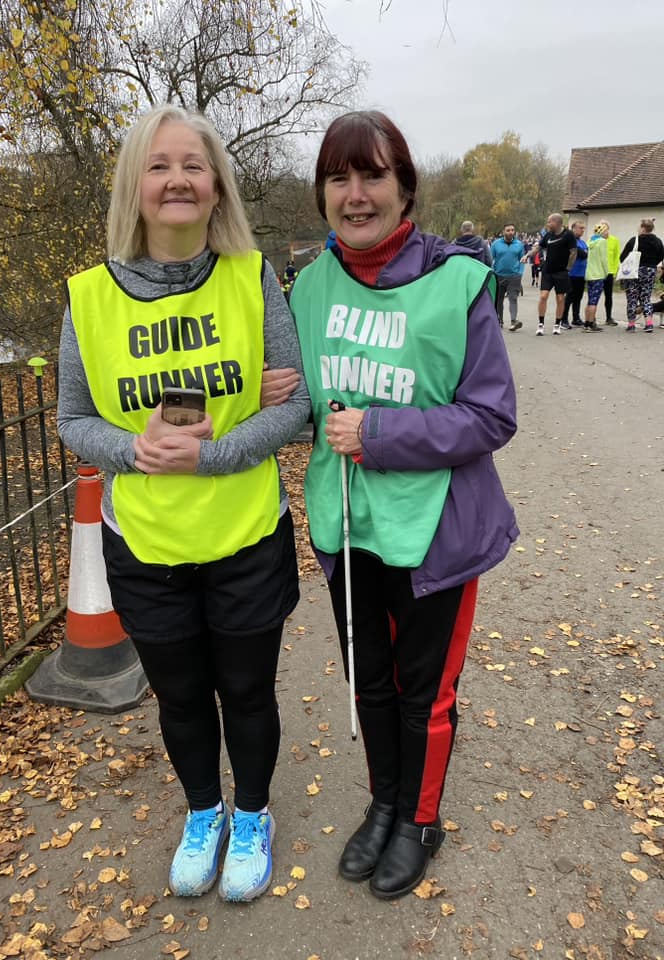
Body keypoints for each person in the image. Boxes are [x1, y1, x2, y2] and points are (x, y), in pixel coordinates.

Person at [57, 104, 310, 903]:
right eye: (159, 166)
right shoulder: (89, 297)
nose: (177, 179)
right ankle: (205, 813)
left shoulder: (252, 276)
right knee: (181, 698)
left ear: (216, 188)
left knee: (246, 692)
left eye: (193, 166)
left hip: (243, 535)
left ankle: (255, 812)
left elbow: (293, 407)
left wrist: (214, 455)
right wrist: (130, 449)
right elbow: (72, 420)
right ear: (135, 185)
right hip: (148, 547)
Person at [283, 110, 519, 900]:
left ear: (404, 186)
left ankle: (421, 820)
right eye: (340, 178)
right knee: (370, 683)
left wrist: (379, 432)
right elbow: (300, 402)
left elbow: (491, 414)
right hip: (345, 525)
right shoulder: (305, 289)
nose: (356, 195)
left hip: (437, 532)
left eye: (372, 175)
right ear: (322, 194)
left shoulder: (461, 281)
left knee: (426, 691)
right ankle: (384, 803)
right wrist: (277, 397)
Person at [524, 213, 577, 336]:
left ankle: (557, 324)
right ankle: (540, 324)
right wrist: (527, 255)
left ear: (557, 222)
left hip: (561, 272)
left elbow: (573, 253)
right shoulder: (548, 235)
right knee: (543, 296)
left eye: (549, 222)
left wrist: (568, 268)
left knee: (560, 298)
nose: (548, 224)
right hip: (548, 270)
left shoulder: (568, 235)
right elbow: (538, 248)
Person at [620, 219, 664, 332]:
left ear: (643, 228)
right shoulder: (658, 241)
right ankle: (649, 324)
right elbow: (661, 256)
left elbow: (622, 257)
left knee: (632, 298)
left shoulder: (634, 240)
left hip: (634, 272)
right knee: (646, 298)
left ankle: (631, 325)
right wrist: (652, 264)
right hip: (650, 271)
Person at [490, 224, 526, 330]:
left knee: (513, 298)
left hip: (514, 276)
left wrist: (520, 272)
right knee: (499, 300)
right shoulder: (496, 244)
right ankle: (499, 320)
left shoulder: (519, 244)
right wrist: (492, 272)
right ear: (503, 232)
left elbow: (522, 259)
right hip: (498, 275)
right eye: (508, 230)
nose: (511, 232)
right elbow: (491, 258)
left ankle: (514, 321)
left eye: (512, 230)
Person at [582, 223, 609, 331]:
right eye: (606, 231)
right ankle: (590, 324)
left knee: (590, 300)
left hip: (589, 274)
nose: (608, 233)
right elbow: (604, 259)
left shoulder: (589, 241)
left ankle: (586, 323)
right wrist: (607, 272)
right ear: (602, 232)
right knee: (594, 301)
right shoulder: (602, 242)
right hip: (598, 274)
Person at [561, 220, 587, 328]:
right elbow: (581, 254)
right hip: (572, 274)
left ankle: (576, 318)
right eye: (580, 228)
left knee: (578, 297)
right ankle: (564, 319)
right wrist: (585, 253)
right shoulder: (571, 241)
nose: (582, 230)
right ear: (573, 229)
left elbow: (585, 253)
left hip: (581, 274)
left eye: (583, 228)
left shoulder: (583, 242)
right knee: (569, 298)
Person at [601, 220, 621, 326]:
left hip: (609, 272)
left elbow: (617, 256)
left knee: (608, 296)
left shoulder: (614, 240)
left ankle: (609, 317)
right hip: (598, 272)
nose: (603, 230)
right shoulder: (594, 240)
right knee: (594, 296)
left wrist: (616, 271)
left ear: (608, 229)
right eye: (601, 228)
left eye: (605, 228)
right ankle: (592, 318)